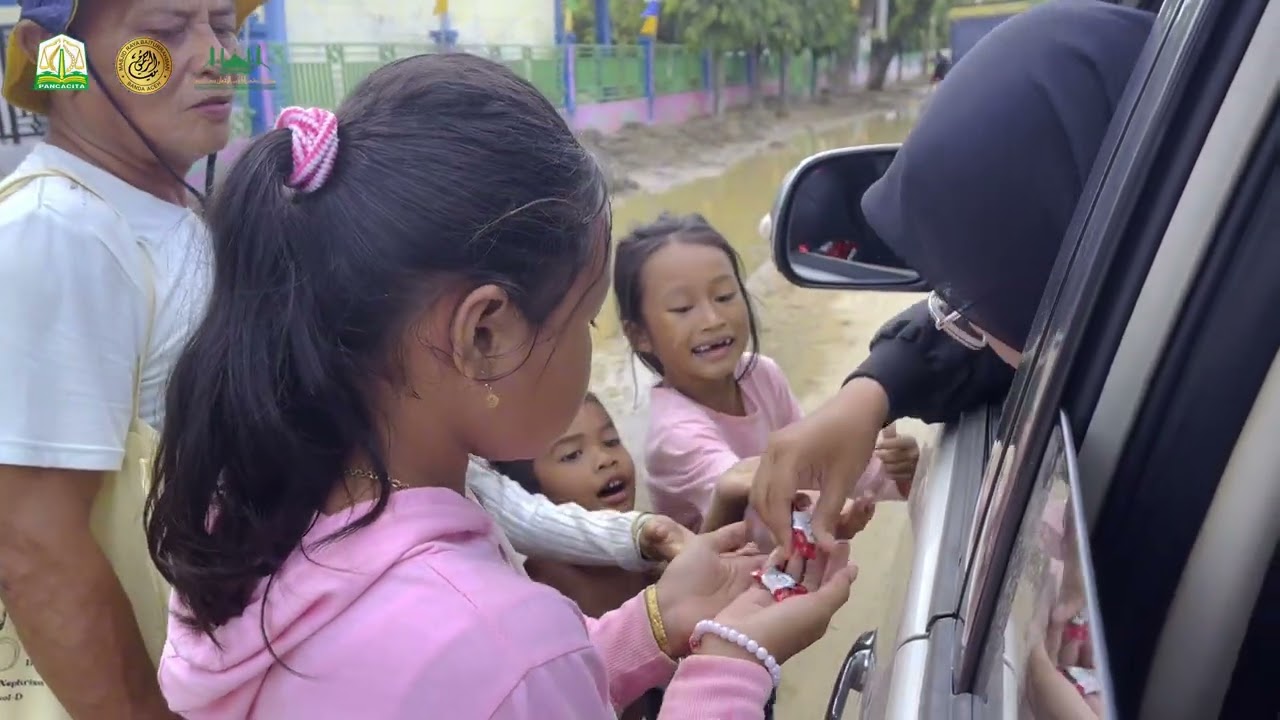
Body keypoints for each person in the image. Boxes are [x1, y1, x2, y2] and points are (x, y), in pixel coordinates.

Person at [148, 53, 855, 718]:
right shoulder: (491, 636)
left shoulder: (242, 525)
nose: (589, 342)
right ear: (483, 335)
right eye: (582, 317)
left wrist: (654, 622)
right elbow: (502, 675)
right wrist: (730, 665)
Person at [747, 0, 1155, 563]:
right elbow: (971, 338)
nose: (969, 324)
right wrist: (866, 398)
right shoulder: (1140, 311)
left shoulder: (1167, 409)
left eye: (983, 295)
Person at [0, 0, 259, 716]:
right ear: (56, 57)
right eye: (164, 33)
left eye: (225, 27)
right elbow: (34, 544)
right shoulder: (57, 233)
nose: (216, 57)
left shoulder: (168, 213)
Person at [614, 212, 921, 533]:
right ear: (640, 335)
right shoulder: (674, 436)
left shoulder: (762, 375)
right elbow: (758, 502)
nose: (712, 319)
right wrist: (830, 512)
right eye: (682, 308)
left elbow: (810, 465)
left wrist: (892, 472)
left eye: (724, 296)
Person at [490, 393, 664, 720]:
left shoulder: (646, 555)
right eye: (572, 455)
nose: (605, 459)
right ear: (526, 495)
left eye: (611, 441)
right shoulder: (543, 592)